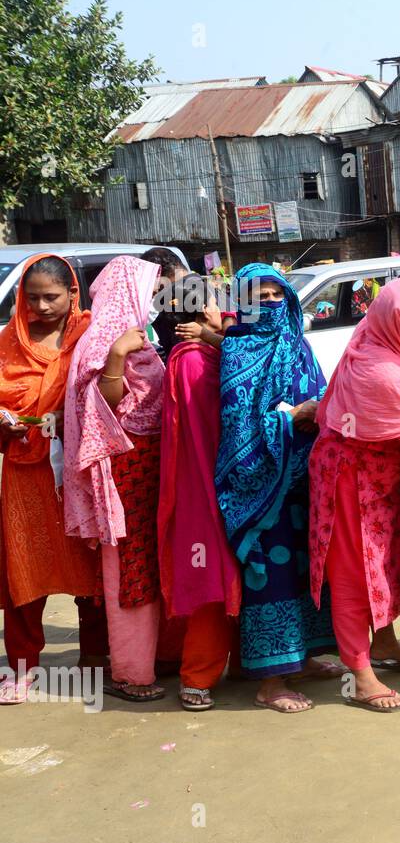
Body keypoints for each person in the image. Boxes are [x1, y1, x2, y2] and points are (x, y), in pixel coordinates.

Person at [309, 277, 400, 713]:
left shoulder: (378, 335)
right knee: (356, 575)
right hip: (349, 483)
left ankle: (384, 641)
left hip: (372, 479)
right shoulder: (385, 373)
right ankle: (360, 674)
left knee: (383, 561)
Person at [216, 264, 335, 713]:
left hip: (302, 485)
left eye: (275, 295)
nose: (268, 303)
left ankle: (300, 659)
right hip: (259, 491)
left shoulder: (299, 346)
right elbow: (238, 425)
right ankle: (270, 681)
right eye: (257, 296)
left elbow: (324, 395)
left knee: (307, 571)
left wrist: (317, 408)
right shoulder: (237, 350)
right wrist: (292, 416)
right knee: (272, 578)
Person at [0, 256, 106, 704]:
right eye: (32, 297)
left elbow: (108, 394)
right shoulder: (7, 341)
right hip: (25, 475)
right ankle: (23, 668)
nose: (41, 306)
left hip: (77, 471)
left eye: (51, 297)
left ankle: (96, 661)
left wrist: (68, 418)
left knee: (90, 565)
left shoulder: (89, 335)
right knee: (22, 569)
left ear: (72, 295)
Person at [63, 256, 168, 703]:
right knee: (128, 570)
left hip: (147, 470)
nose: (155, 300)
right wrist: (117, 355)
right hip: (122, 471)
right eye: (150, 291)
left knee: (146, 564)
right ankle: (130, 672)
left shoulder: (138, 336)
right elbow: (101, 406)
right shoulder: (105, 341)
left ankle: (154, 658)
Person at [157, 275, 242, 710]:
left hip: (230, 480)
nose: (225, 307)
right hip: (207, 482)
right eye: (215, 301)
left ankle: (246, 661)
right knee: (212, 576)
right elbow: (207, 430)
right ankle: (198, 673)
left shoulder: (210, 346)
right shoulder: (192, 360)